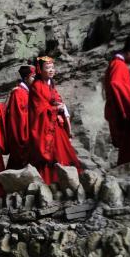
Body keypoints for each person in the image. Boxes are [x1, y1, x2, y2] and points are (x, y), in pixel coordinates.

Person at [29, 56, 83, 184]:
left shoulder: (50, 84)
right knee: (52, 153)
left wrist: (59, 105)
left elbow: (55, 98)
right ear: (39, 70)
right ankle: (54, 181)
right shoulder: (37, 86)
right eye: (48, 68)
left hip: (54, 123)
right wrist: (55, 108)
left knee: (62, 150)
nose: (51, 70)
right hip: (47, 125)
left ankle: (68, 179)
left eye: (52, 67)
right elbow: (39, 108)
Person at [4, 66, 35, 170]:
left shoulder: (27, 92)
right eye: (33, 77)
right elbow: (18, 118)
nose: (35, 80)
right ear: (26, 79)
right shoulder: (18, 93)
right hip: (21, 134)